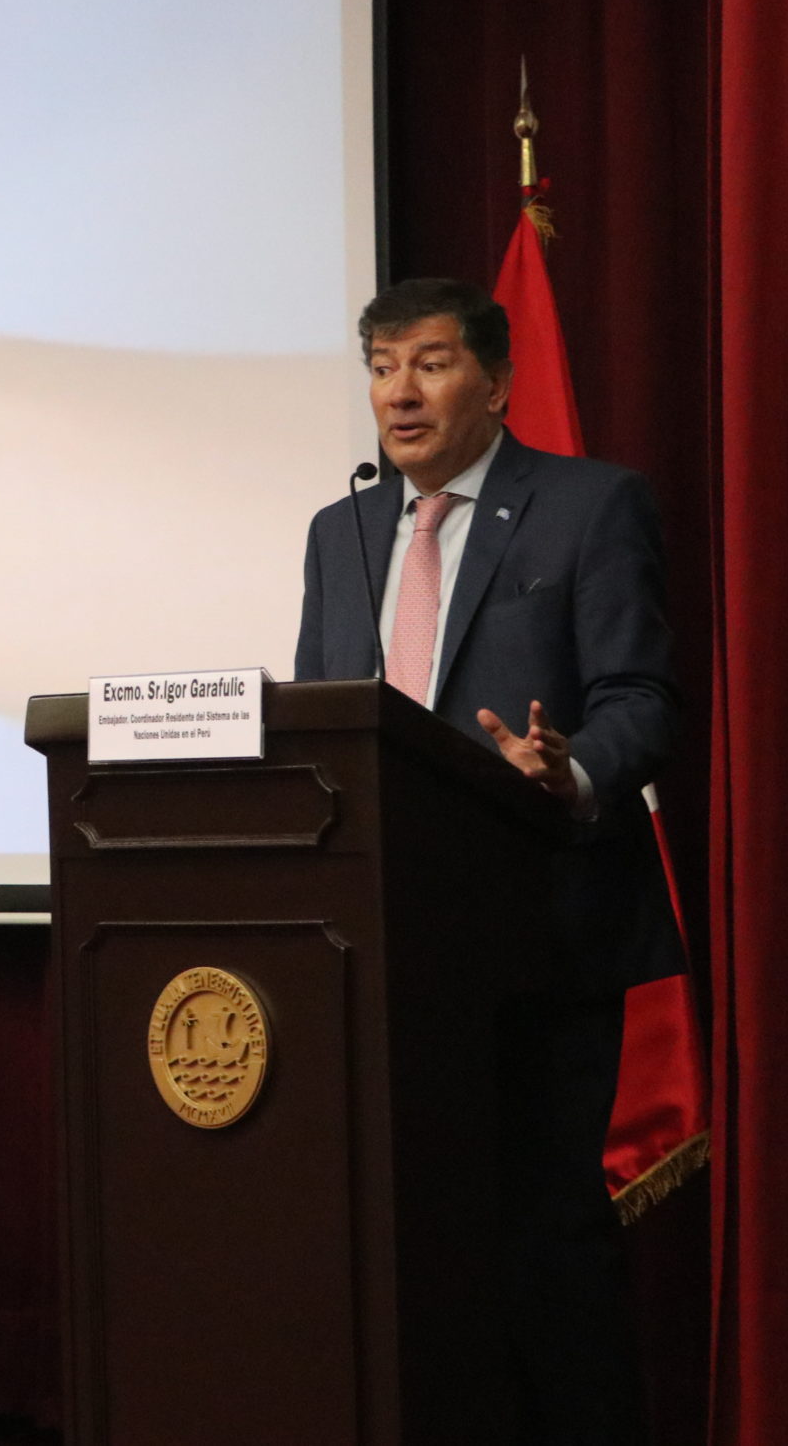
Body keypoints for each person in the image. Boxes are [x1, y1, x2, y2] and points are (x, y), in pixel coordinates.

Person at [293, 277, 677, 1446]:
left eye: (429, 363)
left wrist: (563, 774)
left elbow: (641, 698)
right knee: (412, 1243)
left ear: (497, 383)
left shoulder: (587, 507)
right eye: (379, 366)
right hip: (384, 946)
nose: (397, 393)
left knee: (543, 1239)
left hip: (541, 932)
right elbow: (321, 715)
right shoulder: (341, 531)